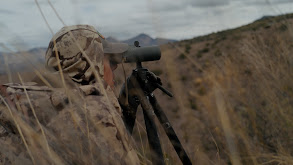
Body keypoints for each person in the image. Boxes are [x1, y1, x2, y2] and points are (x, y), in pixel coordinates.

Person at [0, 25, 140, 165]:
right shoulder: (94, 115)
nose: (114, 67)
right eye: (110, 61)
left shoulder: (24, 102)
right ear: (90, 66)